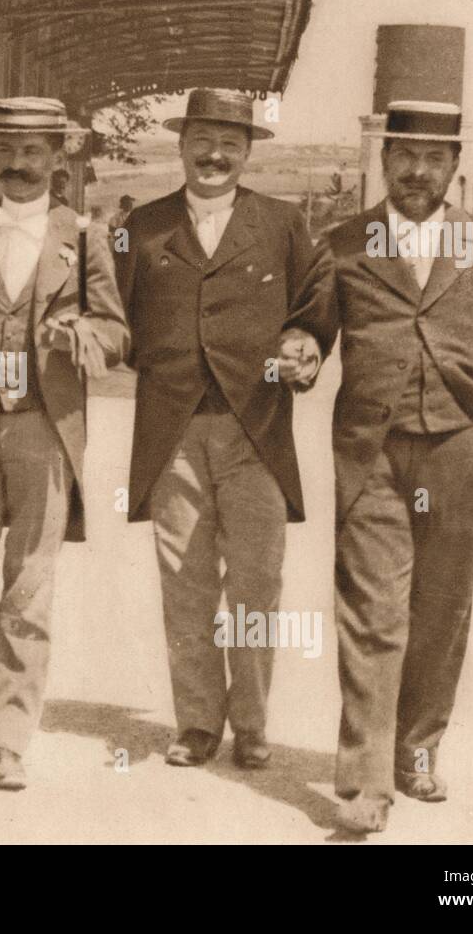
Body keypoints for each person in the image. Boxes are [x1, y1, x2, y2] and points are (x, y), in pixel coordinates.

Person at [327, 100, 473, 834]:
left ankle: (416, 751)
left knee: (440, 614)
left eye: (434, 159)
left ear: (455, 167)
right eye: (404, 156)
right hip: (371, 456)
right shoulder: (344, 245)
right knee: (372, 614)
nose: (417, 172)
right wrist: (292, 352)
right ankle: (362, 786)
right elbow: (307, 329)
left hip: (462, 454)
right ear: (382, 160)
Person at [115, 87, 337, 770]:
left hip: (257, 431)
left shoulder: (282, 223)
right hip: (173, 431)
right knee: (184, 583)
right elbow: (111, 313)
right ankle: (197, 723)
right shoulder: (141, 227)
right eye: (202, 142)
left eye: (229, 145)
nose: (214, 155)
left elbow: (318, 297)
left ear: (247, 152)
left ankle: (253, 723)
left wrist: (305, 341)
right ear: (181, 146)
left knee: (255, 583)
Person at [0, 97, 129, 790]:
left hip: (45, 421)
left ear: (57, 157)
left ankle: (9, 735)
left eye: (32, 150)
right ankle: (0, 686)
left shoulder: (86, 236)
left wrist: (82, 336)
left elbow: (117, 331)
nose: (16, 163)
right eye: (6, 150)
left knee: (29, 587)